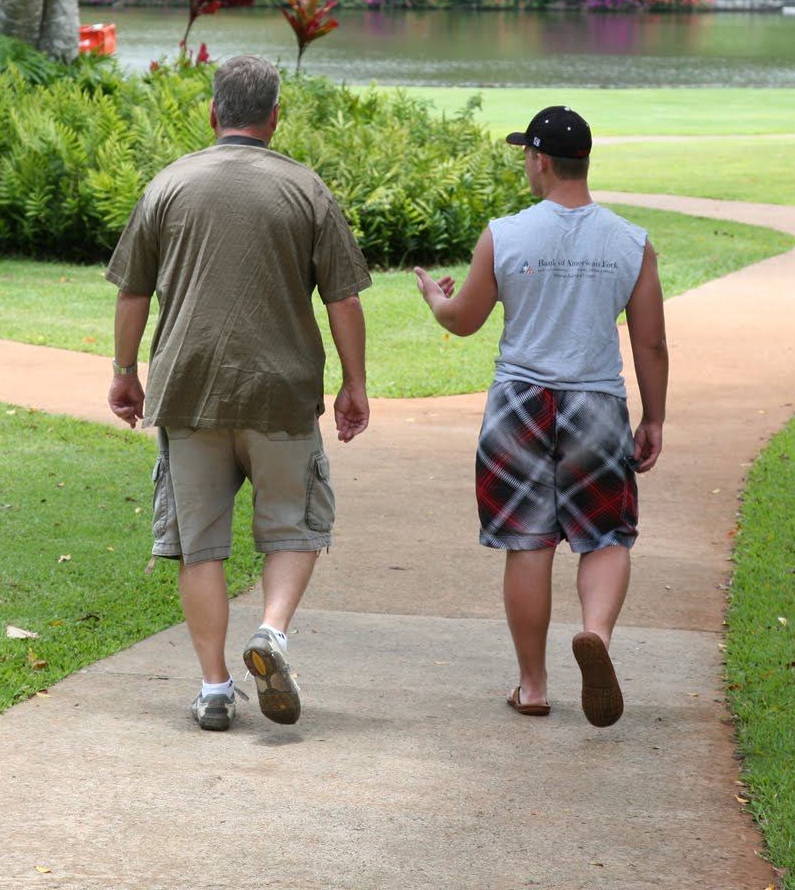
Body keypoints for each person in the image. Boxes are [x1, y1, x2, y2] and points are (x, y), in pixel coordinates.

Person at [105, 54, 371, 732]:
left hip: (188, 388)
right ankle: (272, 633)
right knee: (295, 523)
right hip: (280, 390)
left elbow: (133, 290)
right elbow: (342, 297)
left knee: (200, 546)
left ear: (214, 113)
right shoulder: (306, 189)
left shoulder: (169, 184)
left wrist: (125, 369)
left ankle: (216, 687)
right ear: (275, 116)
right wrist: (354, 382)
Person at [414, 106, 667, 728]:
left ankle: (531, 685)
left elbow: (464, 320)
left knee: (529, 542)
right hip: (597, 403)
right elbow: (651, 344)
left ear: (541, 160)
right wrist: (654, 417)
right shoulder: (631, 242)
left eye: (526, 156)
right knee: (605, 535)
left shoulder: (506, 234)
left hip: (521, 404)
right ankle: (596, 637)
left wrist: (433, 298)